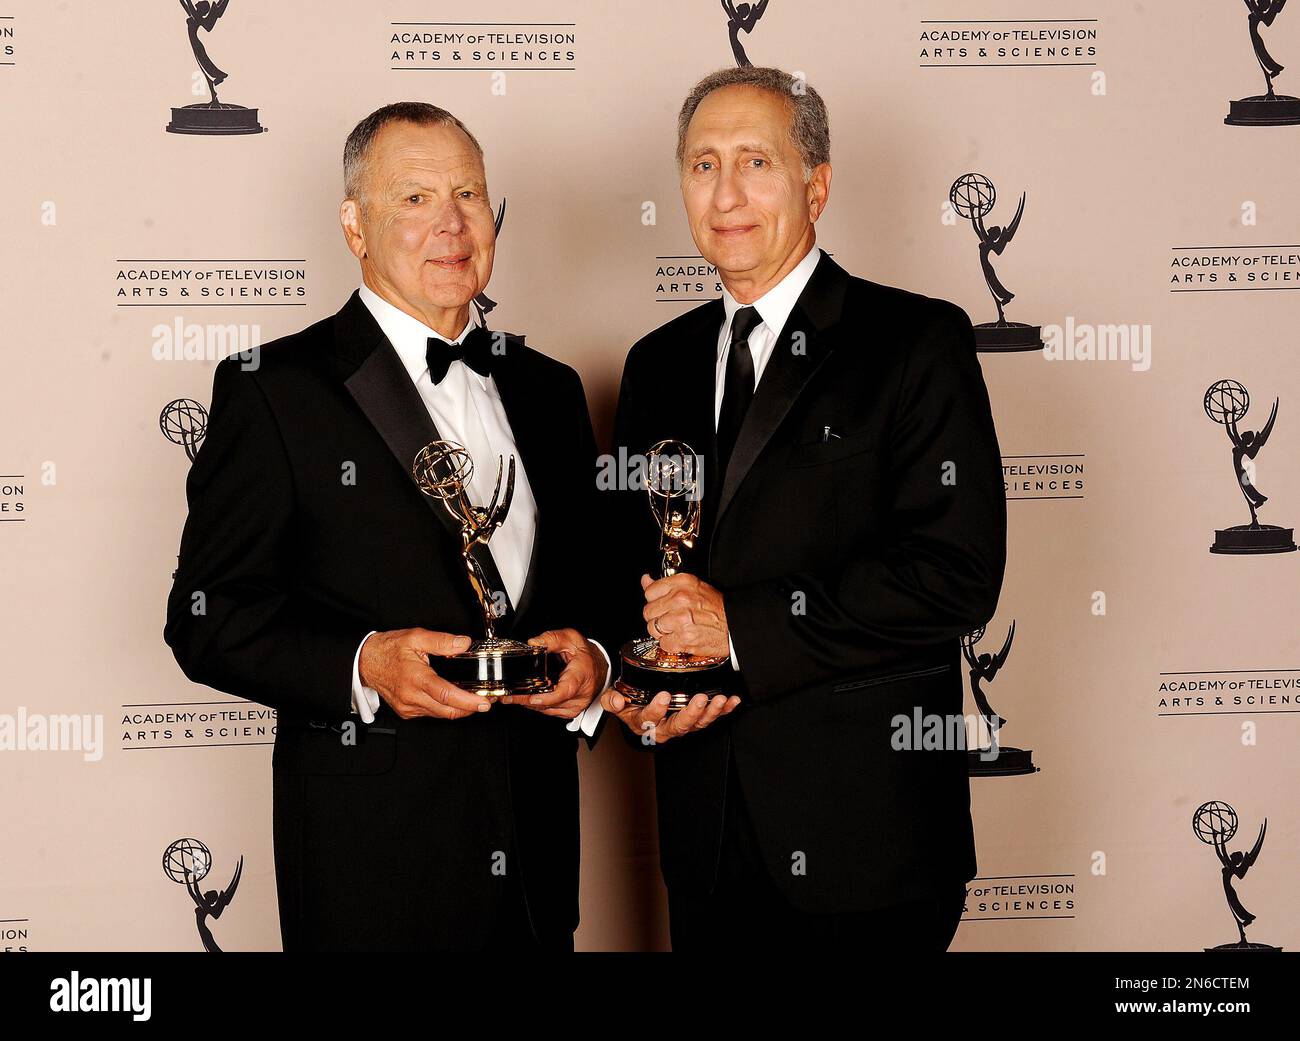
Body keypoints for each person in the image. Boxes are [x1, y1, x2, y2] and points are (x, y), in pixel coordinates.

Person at [165, 102, 609, 952]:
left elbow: (584, 589)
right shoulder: (274, 390)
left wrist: (593, 662)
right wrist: (365, 663)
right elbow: (206, 618)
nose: (449, 221)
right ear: (353, 225)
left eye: (468, 193)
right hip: (372, 870)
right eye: (413, 198)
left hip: (536, 864)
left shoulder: (550, 389)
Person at [601, 66, 1007, 951]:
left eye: (756, 161)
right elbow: (637, 576)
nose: (728, 192)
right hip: (706, 840)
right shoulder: (655, 364)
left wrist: (737, 629)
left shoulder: (915, 342)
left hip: (868, 846)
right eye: (703, 165)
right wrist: (624, 682)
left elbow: (954, 576)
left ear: (816, 185)